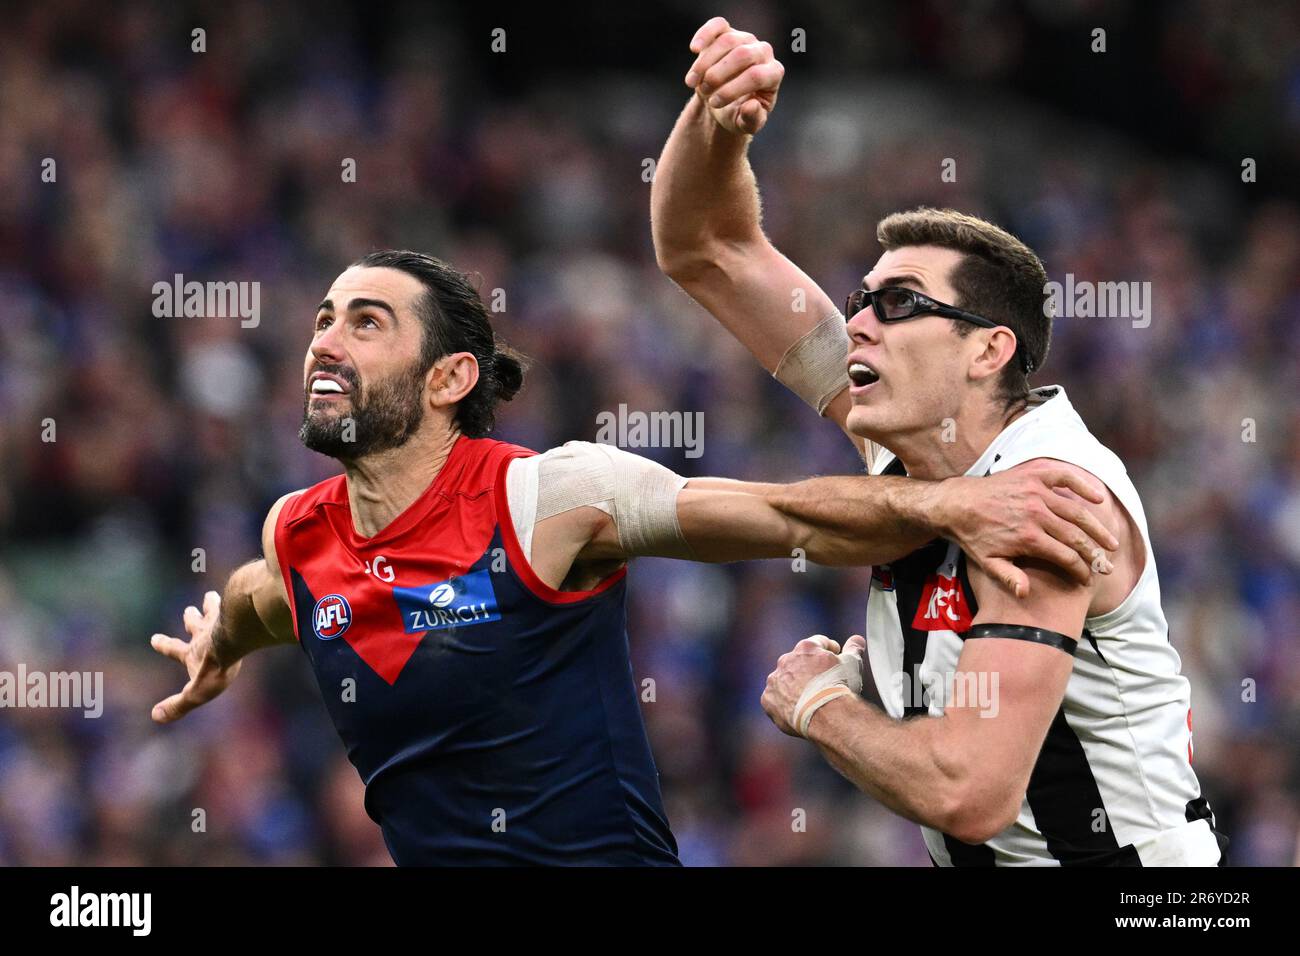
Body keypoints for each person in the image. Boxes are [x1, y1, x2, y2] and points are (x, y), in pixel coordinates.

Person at [150, 249, 1113, 865]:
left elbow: (787, 516)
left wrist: (957, 500)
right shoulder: (299, 530)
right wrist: (221, 646)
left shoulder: (546, 500)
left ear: (450, 379)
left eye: (366, 323)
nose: (326, 340)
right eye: (324, 317)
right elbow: (261, 595)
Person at [650, 17, 1226, 865]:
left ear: (989, 349)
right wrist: (713, 117)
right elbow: (705, 248)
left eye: (900, 303)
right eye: (859, 298)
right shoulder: (914, 445)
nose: (856, 323)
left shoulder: (1049, 498)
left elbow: (968, 792)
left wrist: (821, 707)